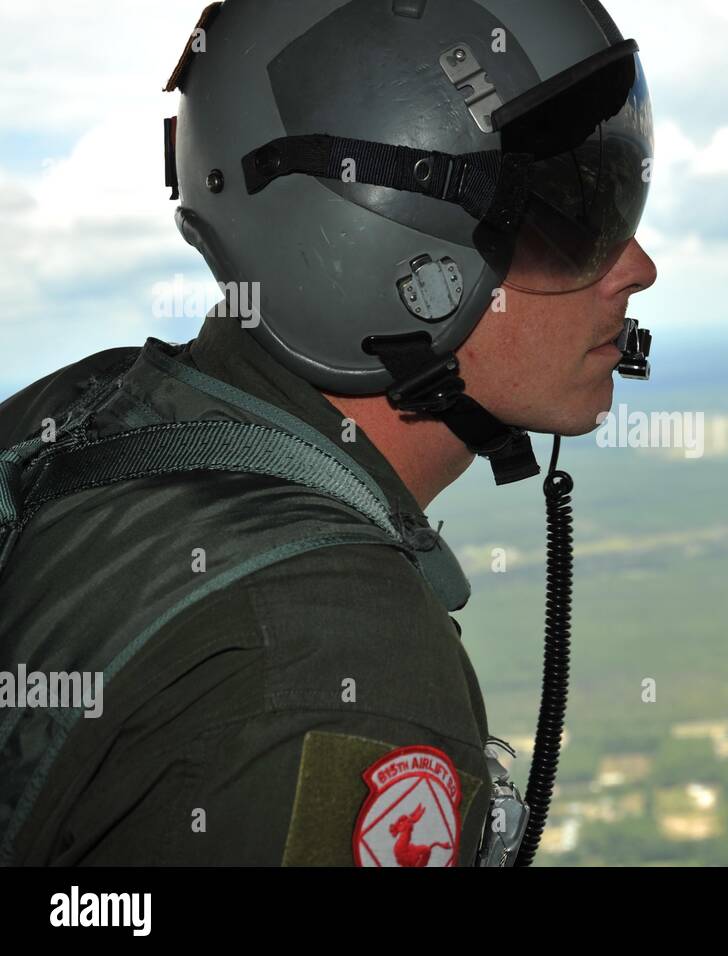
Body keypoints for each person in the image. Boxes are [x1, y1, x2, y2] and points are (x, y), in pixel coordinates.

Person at [0, 0, 656, 867]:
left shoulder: (82, 418)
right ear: (386, 256)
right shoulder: (334, 657)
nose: (638, 269)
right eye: (568, 221)